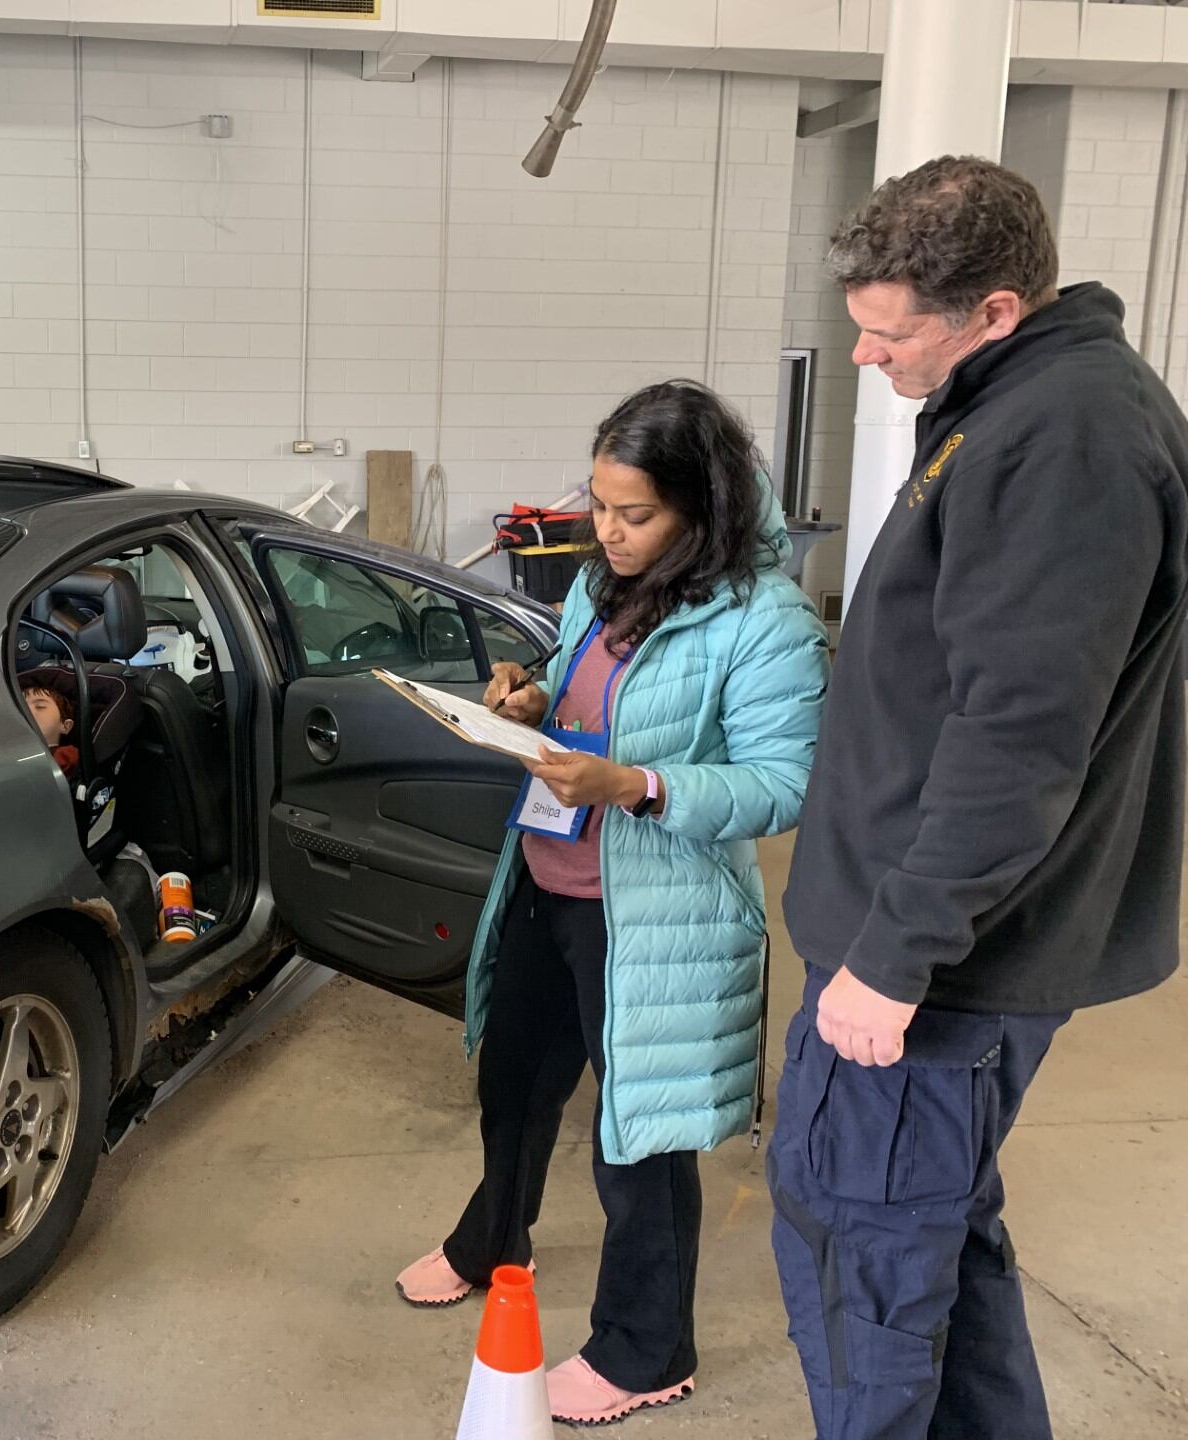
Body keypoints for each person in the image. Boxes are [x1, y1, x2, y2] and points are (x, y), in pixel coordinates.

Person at [773, 156, 1188, 1440]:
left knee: (871, 1271)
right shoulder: (1018, 404)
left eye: (887, 332)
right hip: (938, 957)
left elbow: (1017, 738)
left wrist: (894, 957)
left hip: (941, 976)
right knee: (939, 1253)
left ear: (995, 310)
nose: (862, 355)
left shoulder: (1062, 438)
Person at [395, 380, 830, 1427]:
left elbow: (785, 783)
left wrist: (640, 784)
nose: (610, 531)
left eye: (636, 514)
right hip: (549, 875)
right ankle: (492, 1240)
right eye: (599, 505)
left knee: (639, 1135)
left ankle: (645, 1351)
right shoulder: (602, 583)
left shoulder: (762, 616)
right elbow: (585, 685)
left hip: (655, 914)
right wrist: (535, 697)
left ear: (702, 505)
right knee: (514, 1084)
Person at [21, 673, 80, 776]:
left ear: (66, 726)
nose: (26, 711)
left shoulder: (65, 755)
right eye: (21, 706)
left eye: (40, 707)